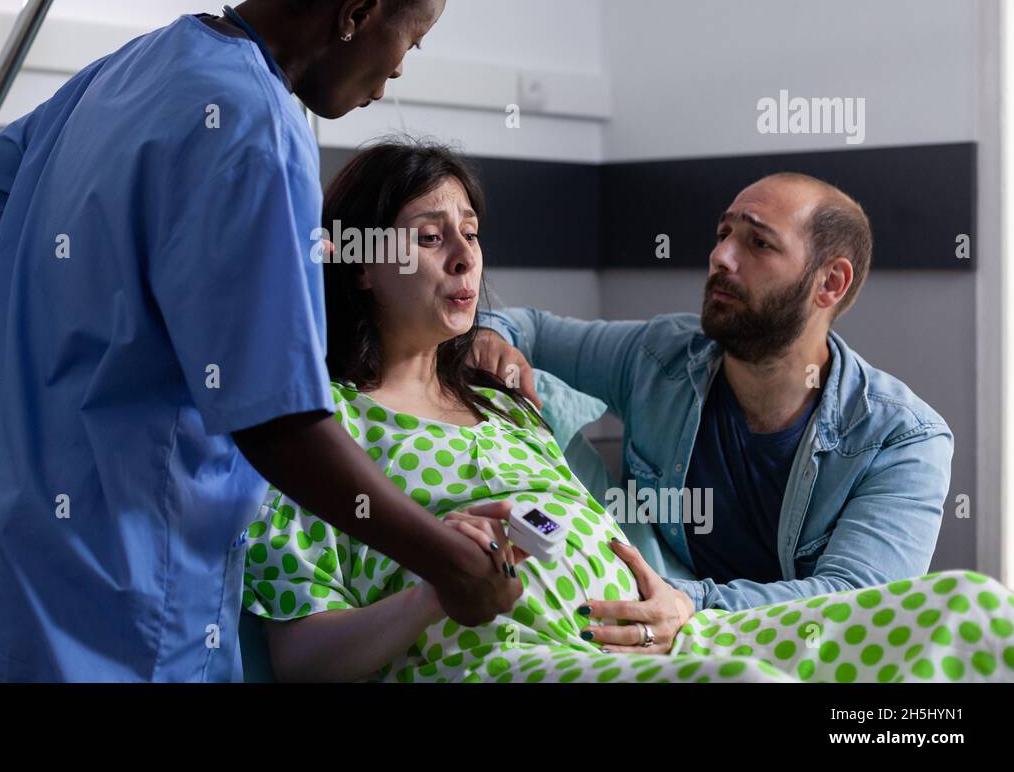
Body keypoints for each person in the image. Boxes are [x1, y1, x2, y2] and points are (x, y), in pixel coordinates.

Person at [0, 0, 521, 683]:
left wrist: (133, 294)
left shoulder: (137, 64)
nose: (396, 76)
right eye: (406, 44)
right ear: (357, 12)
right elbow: (280, 425)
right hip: (110, 604)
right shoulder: (257, 127)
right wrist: (449, 562)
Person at [242, 139, 1013, 683]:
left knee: (976, 609)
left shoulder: (505, 409)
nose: (466, 257)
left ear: (829, 284)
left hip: (652, 625)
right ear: (364, 265)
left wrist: (684, 608)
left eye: (472, 235)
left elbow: (854, 595)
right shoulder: (317, 431)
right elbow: (299, 654)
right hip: (504, 651)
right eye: (430, 237)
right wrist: (435, 589)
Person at [472, 172, 954, 649]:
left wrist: (689, 604)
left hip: (790, 655)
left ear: (829, 282)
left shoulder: (903, 439)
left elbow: (852, 605)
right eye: (723, 234)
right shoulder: (659, 357)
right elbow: (529, 327)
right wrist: (493, 338)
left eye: (758, 243)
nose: (720, 257)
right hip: (647, 636)